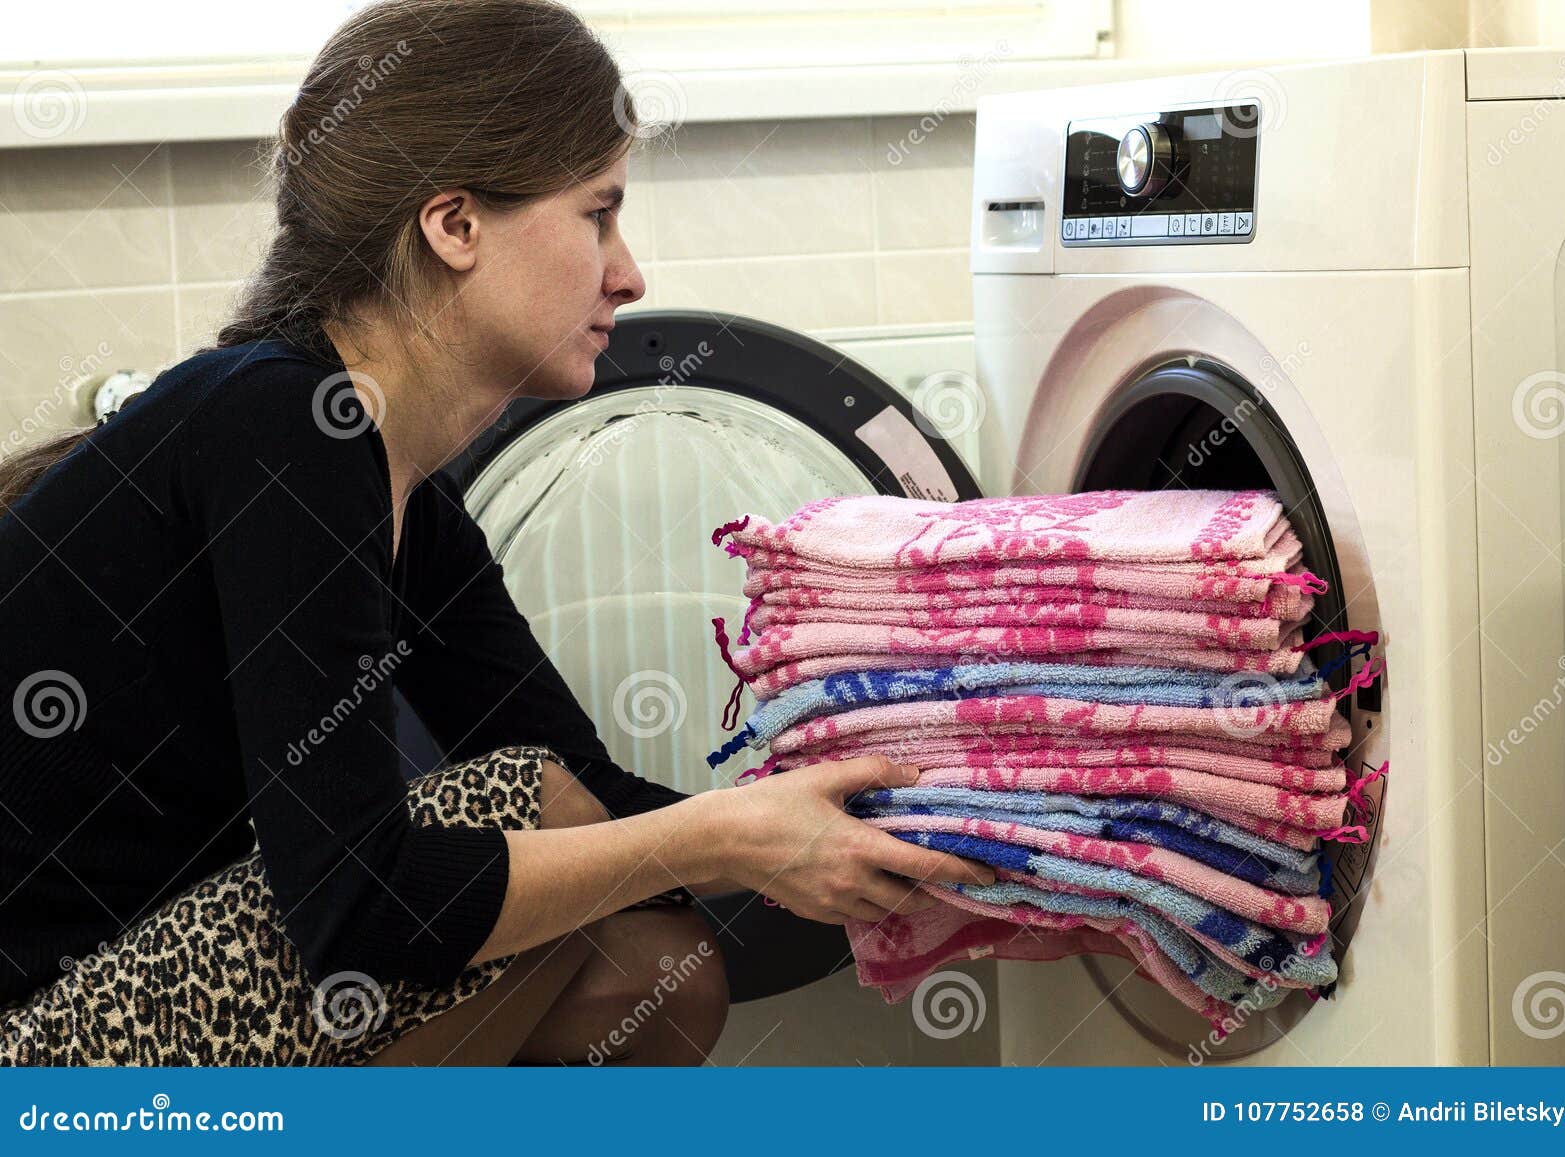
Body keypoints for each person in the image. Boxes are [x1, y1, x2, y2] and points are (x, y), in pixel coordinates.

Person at [0, 0, 993, 1067]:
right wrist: (725, 834)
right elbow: (359, 901)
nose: (629, 273)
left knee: (652, 960)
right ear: (455, 226)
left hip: (121, 996)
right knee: (535, 818)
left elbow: (596, 793)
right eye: (596, 216)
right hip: (38, 1042)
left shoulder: (397, 485)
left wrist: (909, 828)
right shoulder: (283, 425)